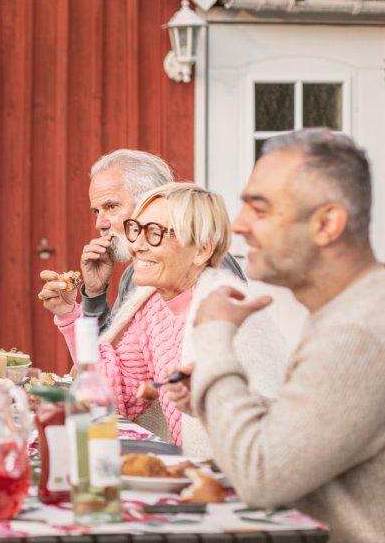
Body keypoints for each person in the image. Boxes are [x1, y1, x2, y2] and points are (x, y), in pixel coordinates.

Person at [165, 129, 385, 540]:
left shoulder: (356, 331)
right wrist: (217, 396)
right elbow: (307, 435)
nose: (238, 224)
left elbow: (261, 477)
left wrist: (213, 336)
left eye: (260, 209)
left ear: (326, 224)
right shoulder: (358, 309)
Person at [42, 183, 287, 456]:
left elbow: (267, 433)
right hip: (189, 467)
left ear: (201, 251)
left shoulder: (229, 310)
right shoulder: (152, 305)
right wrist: (69, 314)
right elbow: (114, 391)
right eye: (136, 229)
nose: (136, 246)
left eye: (155, 233)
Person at [40, 149, 245, 333]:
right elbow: (113, 358)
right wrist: (94, 293)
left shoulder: (204, 263)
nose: (99, 224)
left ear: (150, 202)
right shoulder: (136, 271)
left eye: (111, 207)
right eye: (96, 211)